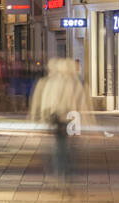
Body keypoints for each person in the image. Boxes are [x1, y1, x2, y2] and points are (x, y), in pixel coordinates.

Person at [29, 57, 92, 189]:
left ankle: (60, 172)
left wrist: (43, 116)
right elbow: (79, 103)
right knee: (66, 146)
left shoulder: (53, 81)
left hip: (58, 118)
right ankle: (65, 172)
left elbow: (48, 100)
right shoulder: (72, 82)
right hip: (68, 118)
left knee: (61, 145)